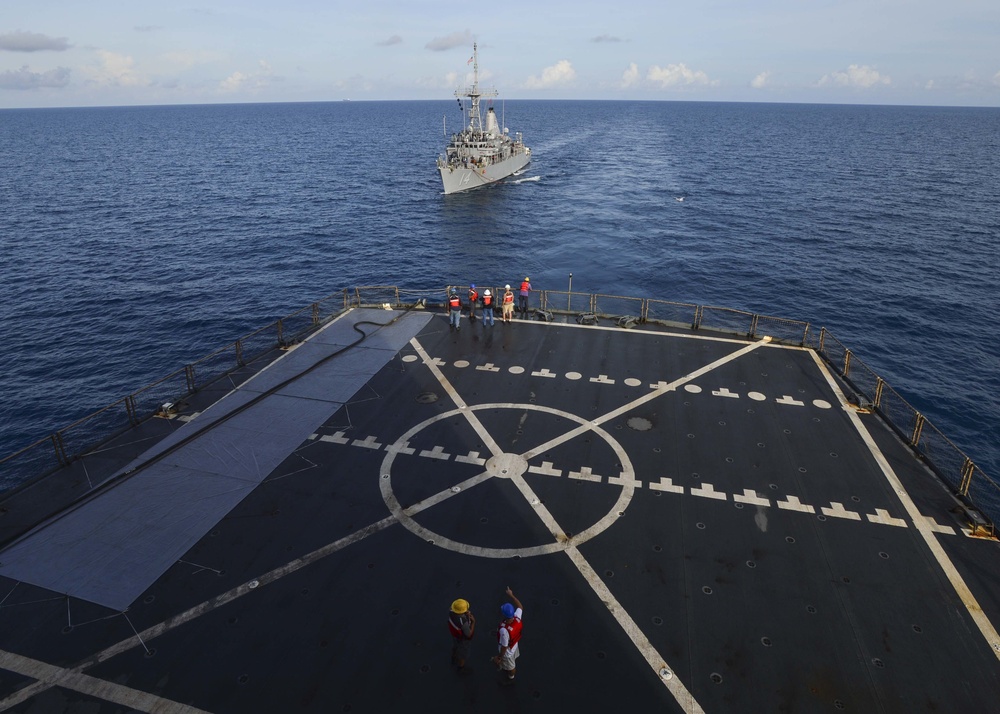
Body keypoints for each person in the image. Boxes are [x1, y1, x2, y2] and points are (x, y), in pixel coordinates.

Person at [492, 586, 523, 682]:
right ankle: (510, 672)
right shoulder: (517, 618)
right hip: (514, 646)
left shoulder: (504, 631)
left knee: (511, 667)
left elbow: (504, 646)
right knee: (512, 661)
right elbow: (520, 607)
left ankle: (511, 678)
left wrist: (499, 657)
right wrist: (511, 595)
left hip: (507, 653)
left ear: (504, 615)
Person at [448, 598, 476, 674]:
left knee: (455, 646)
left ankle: (454, 657)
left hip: (455, 635)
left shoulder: (451, 611)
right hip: (462, 639)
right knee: (463, 653)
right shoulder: (462, 621)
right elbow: (468, 634)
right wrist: (473, 622)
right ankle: (461, 668)